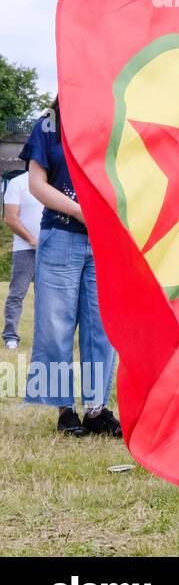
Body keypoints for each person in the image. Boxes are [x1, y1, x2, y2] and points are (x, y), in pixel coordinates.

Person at [20, 101, 120, 436]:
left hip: (105, 241)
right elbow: (37, 184)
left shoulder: (112, 121)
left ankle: (97, 409)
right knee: (55, 326)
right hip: (61, 235)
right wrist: (80, 211)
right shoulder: (48, 125)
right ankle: (65, 410)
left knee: (103, 327)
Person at [4, 170, 43, 349]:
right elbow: (10, 218)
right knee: (17, 294)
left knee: (48, 298)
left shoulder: (51, 181)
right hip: (24, 250)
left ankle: (44, 338)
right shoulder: (17, 183)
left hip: (51, 249)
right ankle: (10, 336)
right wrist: (31, 239)